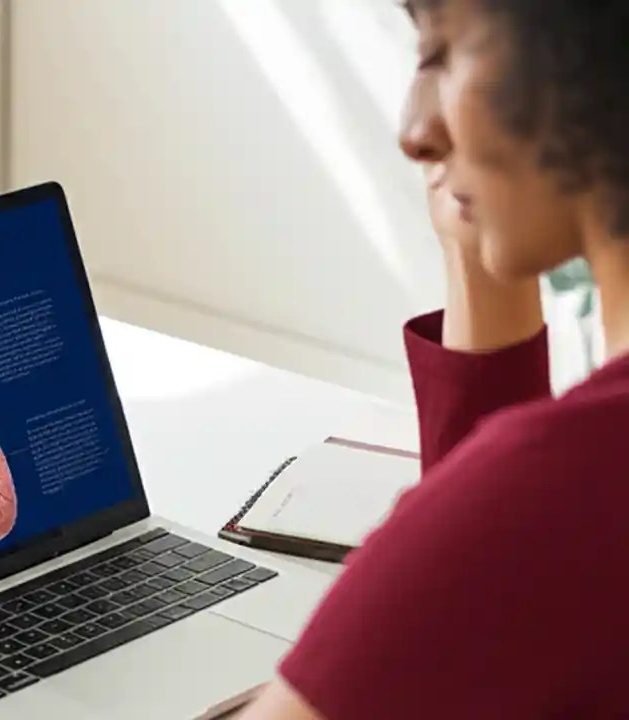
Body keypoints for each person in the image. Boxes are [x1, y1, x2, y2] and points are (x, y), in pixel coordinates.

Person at [239, 1, 629, 718]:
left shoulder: (551, 491)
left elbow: (507, 526)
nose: (416, 132)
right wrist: (477, 246)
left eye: (441, 52)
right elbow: (503, 593)